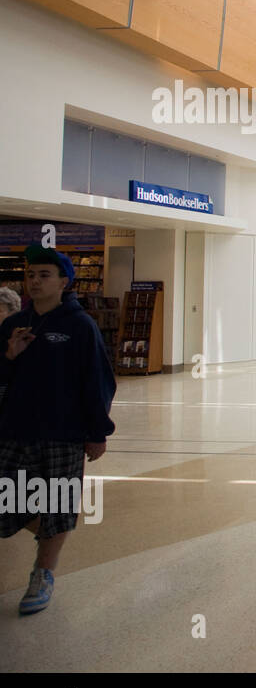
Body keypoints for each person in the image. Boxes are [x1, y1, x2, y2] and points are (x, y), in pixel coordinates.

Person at [1, 245, 116, 615]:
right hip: (15, 430)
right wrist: (9, 357)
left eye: (44, 275)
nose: (35, 281)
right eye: (31, 274)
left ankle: (43, 572)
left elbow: (97, 382)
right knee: (8, 500)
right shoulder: (14, 325)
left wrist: (97, 432)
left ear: (64, 282)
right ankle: (50, 532)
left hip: (64, 433)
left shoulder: (80, 326)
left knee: (58, 503)